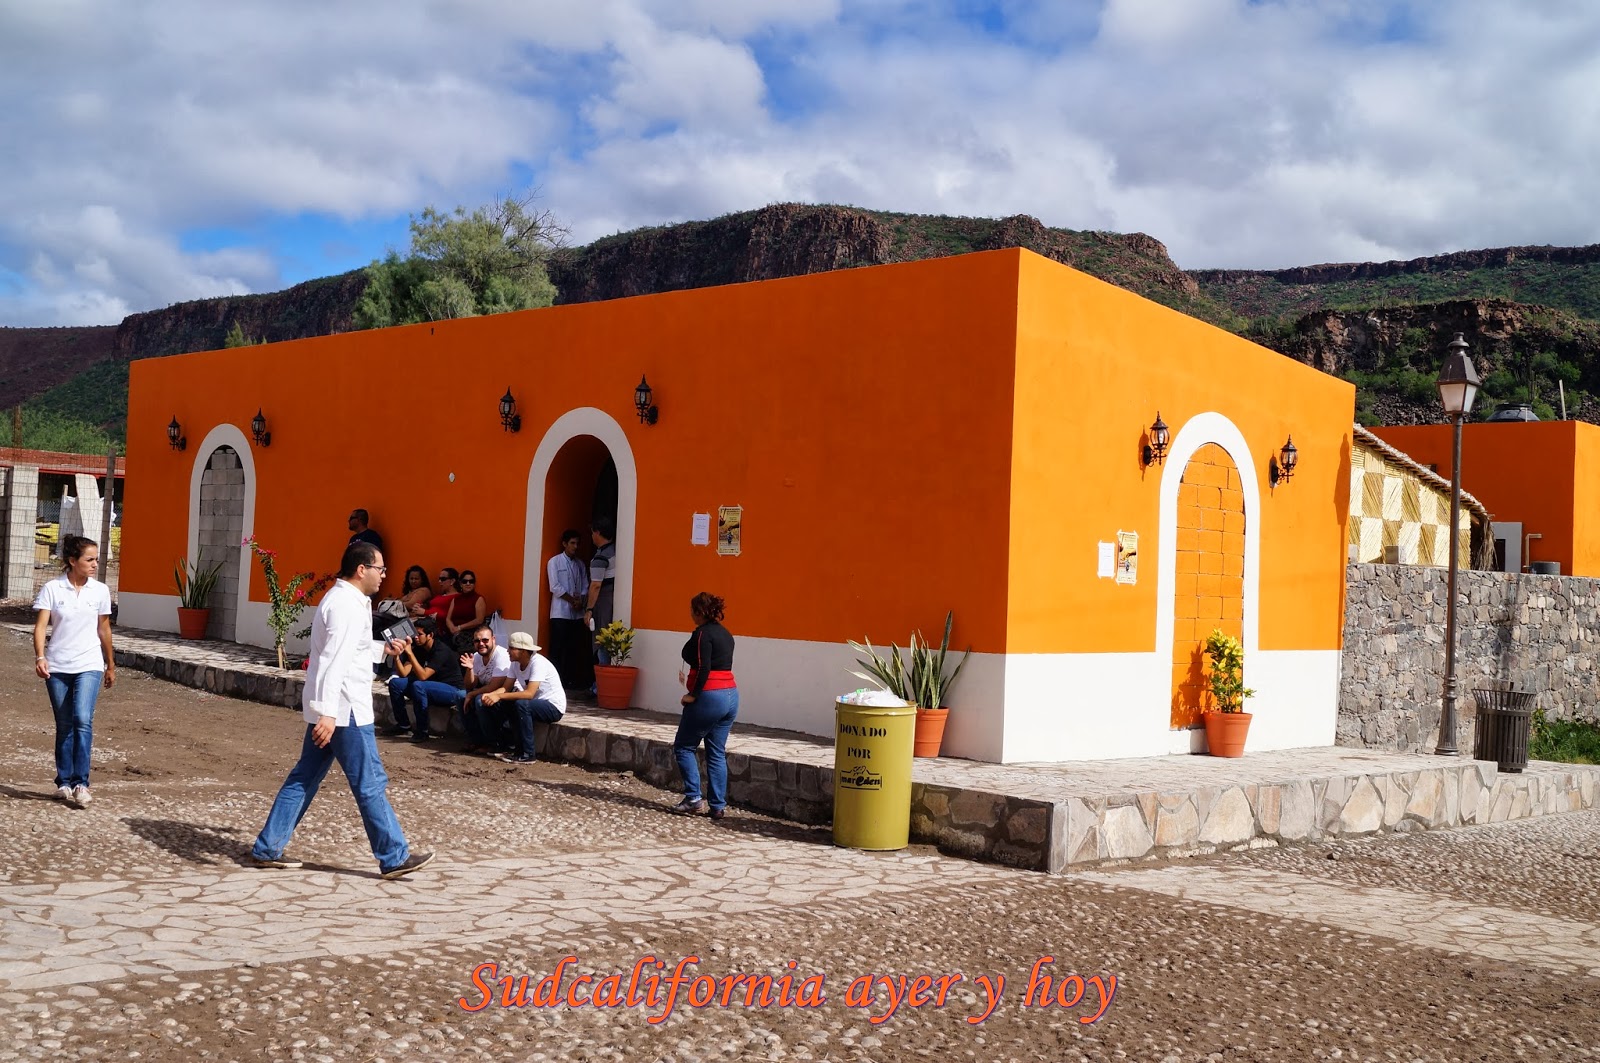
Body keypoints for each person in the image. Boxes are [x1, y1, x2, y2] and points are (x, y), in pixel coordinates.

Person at [249, 541, 433, 879]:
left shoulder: (349, 601)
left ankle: (268, 847)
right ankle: (393, 856)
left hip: (338, 708)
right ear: (362, 569)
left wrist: (384, 650)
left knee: (305, 777)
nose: (384, 575)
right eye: (380, 568)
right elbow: (333, 662)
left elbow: (352, 652)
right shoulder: (346, 605)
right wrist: (328, 713)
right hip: (345, 710)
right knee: (369, 782)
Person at [33, 534, 115, 809]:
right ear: (72, 561)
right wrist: (40, 657)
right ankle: (64, 782)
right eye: (89, 559)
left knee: (82, 718)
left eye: (96, 559)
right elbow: (41, 626)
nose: (95, 564)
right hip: (57, 665)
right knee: (65, 724)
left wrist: (110, 664)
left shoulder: (100, 591)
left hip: (89, 664)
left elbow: (104, 628)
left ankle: (82, 783)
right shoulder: (53, 589)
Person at [669, 592, 738, 820]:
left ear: (699, 612)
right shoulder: (726, 634)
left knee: (684, 746)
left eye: (692, 610)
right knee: (716, 752)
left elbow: (705, 667)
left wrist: (692, 695)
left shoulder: (702, 634)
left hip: (709, 696)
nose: (690, 614)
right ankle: (717, 806)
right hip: (730, 695)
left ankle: (693, 798)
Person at [479, 632, 565, 764]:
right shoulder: (515, 663)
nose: (508, 651)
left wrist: (499, 696)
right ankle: (502, 745)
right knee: (494, 703)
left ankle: (528, 754)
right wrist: (492, 695)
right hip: (530, 704)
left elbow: (529, 694)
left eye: (512, 648)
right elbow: (506, 688)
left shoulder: (538, 663)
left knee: (521, 704)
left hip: (552, 707)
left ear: (523, 651)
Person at [383, 617, 465, 741]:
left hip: (451, 690)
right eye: (415, 634)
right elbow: (403, 674)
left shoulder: (441, 650)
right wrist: (397, 656)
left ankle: (422, 731)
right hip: (428, 687)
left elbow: (423, 676)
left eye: (420, 634)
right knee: (395, 683)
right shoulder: (419, 648)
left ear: (430, 635)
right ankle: (403, 725)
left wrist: (410, 653)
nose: (416, 637)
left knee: (418, 685)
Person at [458, 625, 513, 754]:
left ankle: (494, 743)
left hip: (504, 694)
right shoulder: (476, 657)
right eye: (477, 641)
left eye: (485, 640)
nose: (481, 644)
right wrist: (470, 669)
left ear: (493, 639)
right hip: (485, 693)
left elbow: (495, 686)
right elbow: (469, 685)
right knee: (459, 696)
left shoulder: (502, 655)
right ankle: (476, 740)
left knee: (479, 699)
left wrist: (471, 694)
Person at [546, 529, 590, 690]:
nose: (575, 547)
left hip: (576, 613)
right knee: (558, 648)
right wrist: (572, 600)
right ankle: (555, 681)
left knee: (574, 649)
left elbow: (585, 585)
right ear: (564, 544)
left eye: (577, 543)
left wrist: (581, 600)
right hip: (560, 612)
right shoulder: (554, 562)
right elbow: (555, 586)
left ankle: (571, 680)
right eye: (572, 543)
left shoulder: (580, 564)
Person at [585, 518, 616, 664]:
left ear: (597, 533)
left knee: (601, 639)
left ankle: (601, 681)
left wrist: (589, 609)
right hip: (612, 600)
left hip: (603, 602)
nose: (591, 536)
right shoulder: (617, 550)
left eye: (592, 533)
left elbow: (596, 585)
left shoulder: (601, 557)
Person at [442, 569, 487, 652]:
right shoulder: (456, 599)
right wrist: (452, 628)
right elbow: (448, 618)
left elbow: (479, 620)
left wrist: (460, 628)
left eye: (471, 581)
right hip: (453, 633)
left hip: (469, 634)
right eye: (465, 581)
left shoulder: (478, 599)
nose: (468, 584)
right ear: (460, 584)